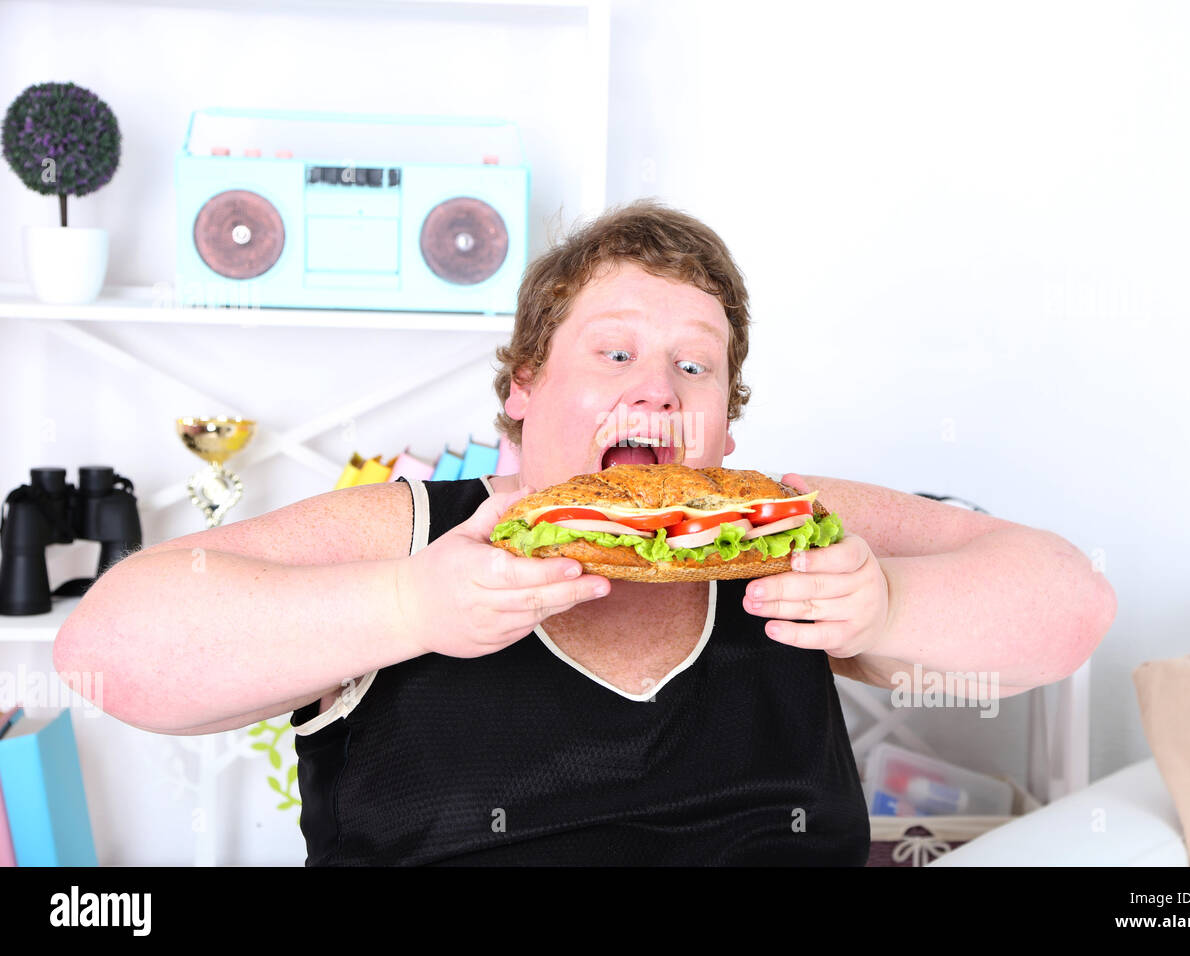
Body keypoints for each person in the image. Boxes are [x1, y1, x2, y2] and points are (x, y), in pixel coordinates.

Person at [54, 199, 1116, 866]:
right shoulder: (416, 530)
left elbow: (1070, 606)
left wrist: (890, 605)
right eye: (612, 354)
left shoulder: (778, 519)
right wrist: (406, 605)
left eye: (694, 364)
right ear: (522, 388)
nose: (656, 385)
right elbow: (109, 656)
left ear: (724, 415)